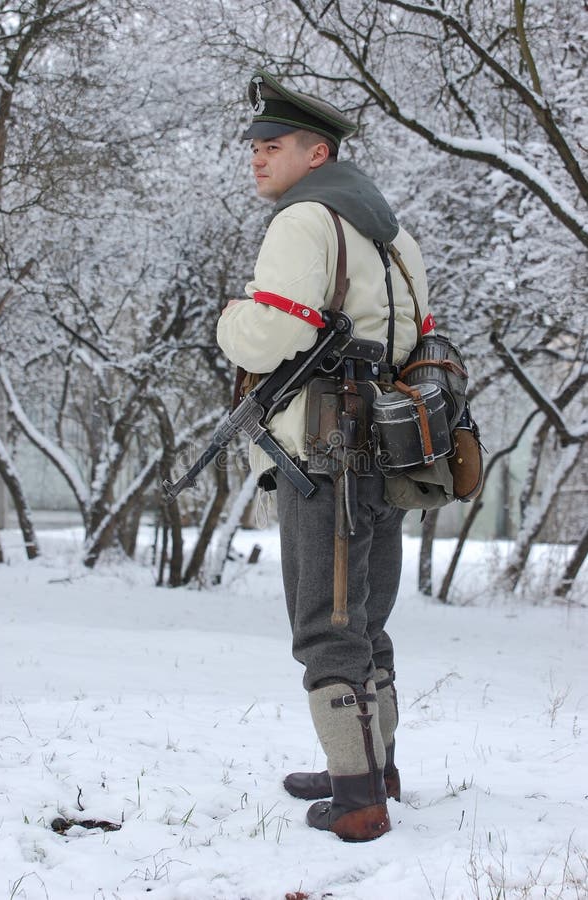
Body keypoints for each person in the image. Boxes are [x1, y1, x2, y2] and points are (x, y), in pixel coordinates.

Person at [217, 69, 432, 842]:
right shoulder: (390, 231)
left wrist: (229, 321)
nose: (256, 159)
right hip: (386, 445)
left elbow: (274, 333)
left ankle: (357, 800)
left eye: (272, 146)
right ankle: (375, 766)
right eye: (255, 147)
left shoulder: (306, 221)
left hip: (324, 447)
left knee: (324, 623)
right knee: (366, 617)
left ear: (318, 153)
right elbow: (412, 338)